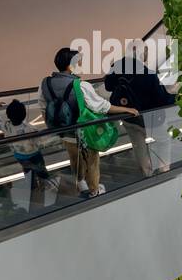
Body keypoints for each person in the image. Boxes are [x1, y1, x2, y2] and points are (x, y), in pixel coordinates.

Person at [39, 48, 136, 198]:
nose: (81, 64)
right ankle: (94, 189)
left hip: (63, 131)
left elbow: (43, 107)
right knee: (92, 160)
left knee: (74, 156)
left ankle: (80, 182)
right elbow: (103, 106)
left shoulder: (45, 83)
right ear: (70, 65)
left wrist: (54, 127)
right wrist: (127, 109)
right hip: (84, 131)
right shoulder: (80, 85)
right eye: (79, 62)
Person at [104, 54, 176, 177]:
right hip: (152, 119)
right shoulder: (148, 75)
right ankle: (164, 171)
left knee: (138, 146)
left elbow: (108, 87)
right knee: (163, 141)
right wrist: (175, 95)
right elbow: (163, 99)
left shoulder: (117, 69)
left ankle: (146, 173)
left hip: (128, 118)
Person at [0, 98, 58, 209]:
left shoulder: (6, 127)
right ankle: (46, 182)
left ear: (8, 116)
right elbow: (39, 142)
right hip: (34, 155)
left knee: (28, 171)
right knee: (41, 169)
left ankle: (32, 187)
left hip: (20, 157)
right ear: (24, 114)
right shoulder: (30, 129)